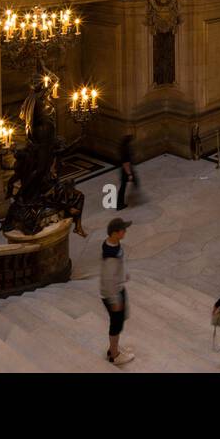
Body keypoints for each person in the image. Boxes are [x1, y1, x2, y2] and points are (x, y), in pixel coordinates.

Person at [101, 217, 134, 366]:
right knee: (116, 324)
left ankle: (112, 348)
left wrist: (124, 272)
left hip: (118, 288)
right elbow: (108, 280)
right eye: (123, 230)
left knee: (119, 322)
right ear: (115, 233)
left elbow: (121, 261)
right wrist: (114, 300)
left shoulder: (114, 244)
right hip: (112, 294)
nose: (125, 232)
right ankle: (114, 355)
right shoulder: (110, 256)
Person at [117, 135, 136, 210]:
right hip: (125, 171)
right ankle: (120, 204)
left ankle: (120, 203)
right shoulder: (126, 150)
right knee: (123, 187)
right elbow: (126, 164)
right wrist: (129, 174)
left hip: (124, 170)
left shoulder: (122, 148)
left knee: (123, 187)